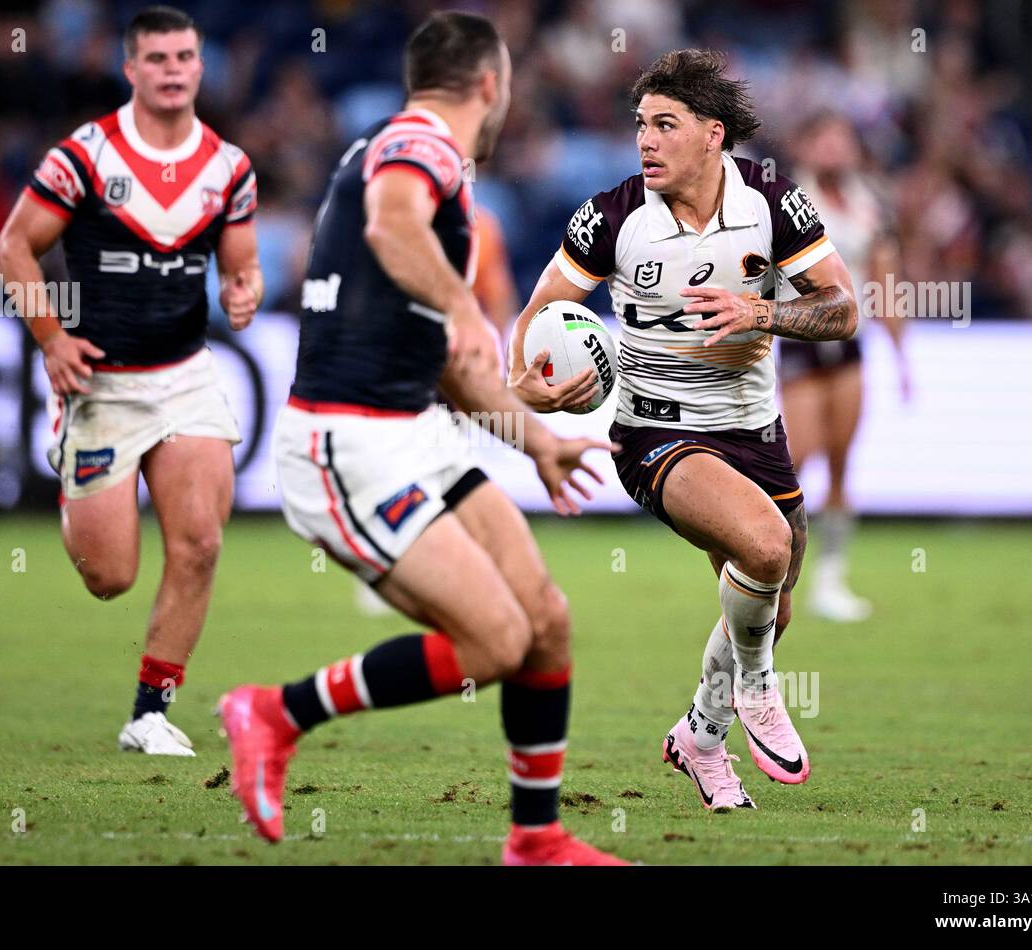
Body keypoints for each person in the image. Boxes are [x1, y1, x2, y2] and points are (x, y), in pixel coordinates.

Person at [217, 11, 626, 866]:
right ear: (490, 83)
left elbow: (448, 368)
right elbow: (390, 227)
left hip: (414, 432)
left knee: (545, 621)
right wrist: (465, 303)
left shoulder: (409, 154)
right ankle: (276, 712)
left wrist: (537, 441)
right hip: (347, 443)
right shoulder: (426, 150)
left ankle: (538, 840)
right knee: (494, 643)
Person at [508, 50, 859, 812]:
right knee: (766, 548)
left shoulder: (771, 201)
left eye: (665, 125)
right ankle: (760, 690)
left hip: (753, 431)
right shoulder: (611, 215)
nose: (646, 141)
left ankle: (701, 736)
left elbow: (843, 309)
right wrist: (538, 392)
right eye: (640, 125)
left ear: (712, 134)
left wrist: (761, 312)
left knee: (775, 597)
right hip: (655, 434)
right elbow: (531, 328)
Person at [0, 6, 262, 756]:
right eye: (158, 58)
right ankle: (75, 485)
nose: (174, 69)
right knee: (109, 576)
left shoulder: (228, 166)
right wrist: (51, 338)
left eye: (185, 56)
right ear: (131, 69)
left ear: (201, 67)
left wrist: (246, 291)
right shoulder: (83, 156)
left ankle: (150, 711)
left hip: (185, 377)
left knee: (201, 545)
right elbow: (13, 248)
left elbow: (243, 266)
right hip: (102, 386)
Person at [779, 112, 907, 622]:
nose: (834, 149)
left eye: (842, 139)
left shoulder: (868, 205)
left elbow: (885, 281)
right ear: (809, 148)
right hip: (802, 341)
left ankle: (831, 578)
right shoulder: (788, 202)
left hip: (850, 343)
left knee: (839, 461)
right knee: (799, 454)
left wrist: (901, 353)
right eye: (825, 139)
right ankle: (774, 570)